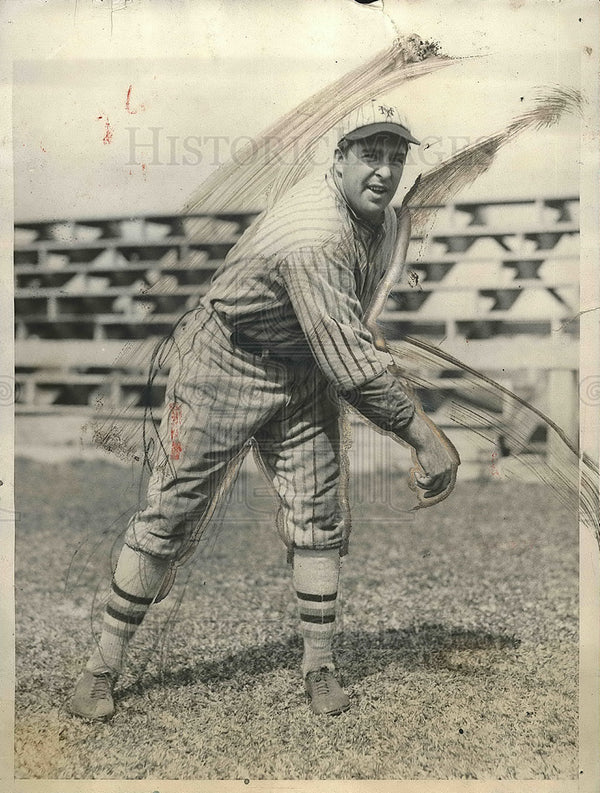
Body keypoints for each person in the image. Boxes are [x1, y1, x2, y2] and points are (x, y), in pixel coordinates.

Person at [69, 98, 459, 720]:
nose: (384, 171)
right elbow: (354, 369)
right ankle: (102, 667)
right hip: (224, 358)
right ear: (337, 160)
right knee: (171, 516)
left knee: (319, 513)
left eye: (396, 155)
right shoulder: (315, 230)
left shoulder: (381, 220)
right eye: (369, 154)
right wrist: (428, 438)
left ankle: (320, 663)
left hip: (302, 365)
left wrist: (352, 338)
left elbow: (345, 331)